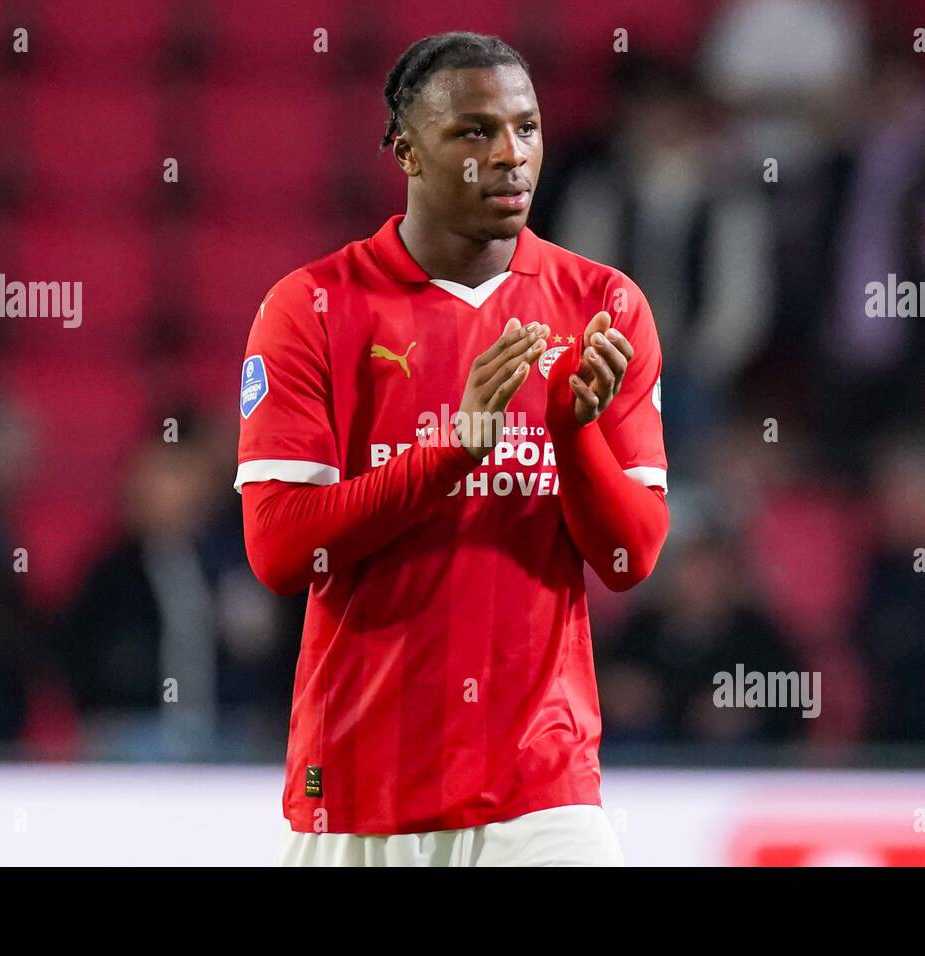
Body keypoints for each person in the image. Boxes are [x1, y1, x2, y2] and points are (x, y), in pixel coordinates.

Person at [236, 32, 669, 866]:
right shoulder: (311, 307)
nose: (511, 155)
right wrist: (453, 453)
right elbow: (281, 551)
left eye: (527, 127)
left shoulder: (604, 306)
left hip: (545, 794)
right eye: (474, 132)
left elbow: (630, 557)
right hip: (361, 794)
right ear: (406, 150)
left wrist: (573, 433)